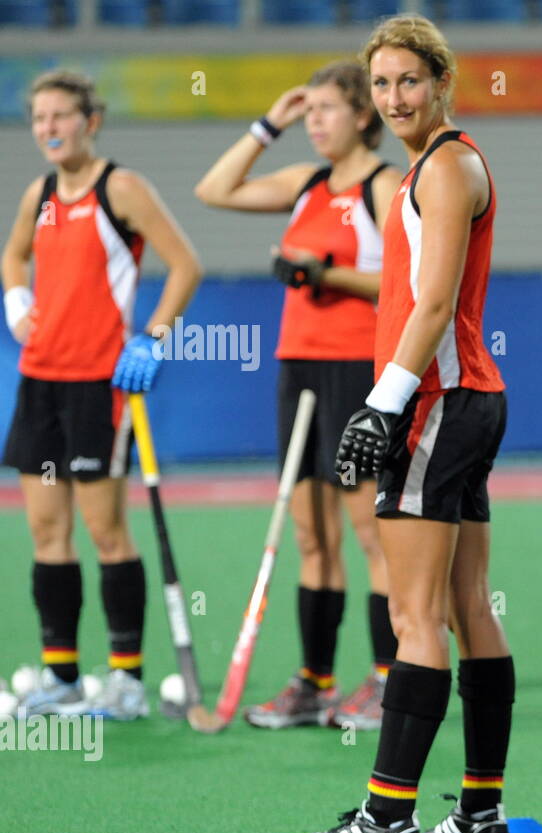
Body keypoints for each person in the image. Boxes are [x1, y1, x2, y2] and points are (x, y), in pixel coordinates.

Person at [301, 14, 514, 833]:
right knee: (465, 607)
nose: (394, 98)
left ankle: (387, 819)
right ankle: (480, 812)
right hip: (456, 401)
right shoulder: (435, 166)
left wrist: (383, 403)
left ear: (440, 81)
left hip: (435, 402)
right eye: (381, 84)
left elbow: (433, 303)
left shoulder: (449, 167)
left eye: (407, 82)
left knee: (413, 612)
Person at [195, 62, 402, 730]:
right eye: (306, 111)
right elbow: (213, 189)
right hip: (299, 371)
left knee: (371, 534)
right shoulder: (306, 183)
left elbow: (410, 286)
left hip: (356, 371)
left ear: (364, 115)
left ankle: (386, 678)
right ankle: (314, 683)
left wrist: (328, 274)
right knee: (312, 533)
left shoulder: (385, 184)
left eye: (326, 109)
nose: (314, 121)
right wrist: (268, 124)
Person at [2, 69, 202, 720]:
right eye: (38, 119)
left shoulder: (122, 188)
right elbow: (15, 257)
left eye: (60, 116)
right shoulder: (39, 194)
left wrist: (154, 337)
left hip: (97, 383)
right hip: (41, 379)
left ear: (91, 121)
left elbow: (185, 264)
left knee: (105, 531)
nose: (48, 129)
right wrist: (16, 301)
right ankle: (61, 677)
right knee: (45, 530)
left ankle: (127, 683)